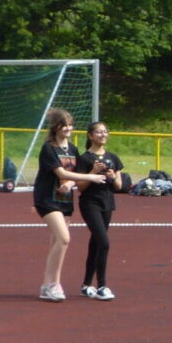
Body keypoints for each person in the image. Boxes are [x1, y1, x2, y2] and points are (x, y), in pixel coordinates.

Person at [33, 107, 107, 301]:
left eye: (70, 125)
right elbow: (62, 173)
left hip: (65, 201)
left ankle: (47, 284)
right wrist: (91, 177)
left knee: (57, 242)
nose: (68, 128)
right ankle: (53, 284)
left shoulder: (73, 149)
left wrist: (75, 182)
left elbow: (72, 178)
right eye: (64, 125)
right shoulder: (49, 148)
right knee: (64, 238)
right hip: (47, 199)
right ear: (55, 127)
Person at [75, 122, 131, 300]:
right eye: (98, 132)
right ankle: (102, 286)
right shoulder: (84, 159)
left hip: (107, 203)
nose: (102, 135)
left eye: (105, 132)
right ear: (90, 136)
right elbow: (80, 187)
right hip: (90, 204)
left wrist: (113, 177)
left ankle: (86, 285)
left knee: (96, 244)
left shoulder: (113, 158)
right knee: (104, 243)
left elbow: (119, 186)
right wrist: (93, 172)